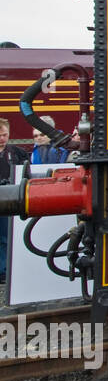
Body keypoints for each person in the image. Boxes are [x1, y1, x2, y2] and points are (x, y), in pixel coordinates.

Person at [0, 118, 31, 283]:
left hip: (10, 202)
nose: (2, 139)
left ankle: (4, 271)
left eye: (5, 135)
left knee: (6, 238)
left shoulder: (17, 153)